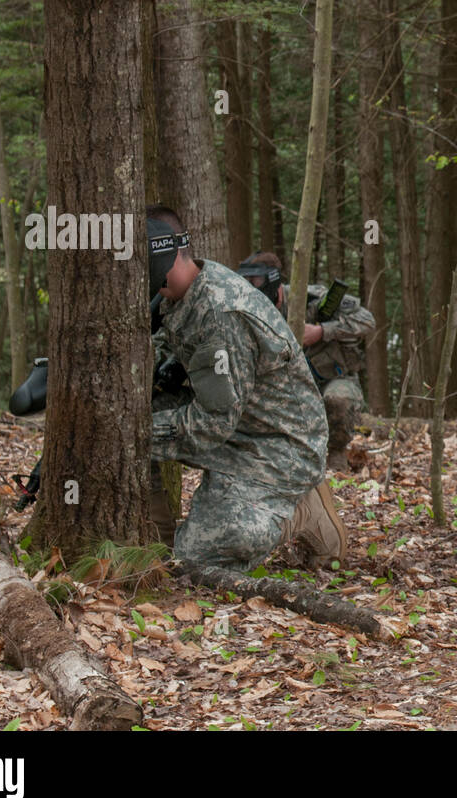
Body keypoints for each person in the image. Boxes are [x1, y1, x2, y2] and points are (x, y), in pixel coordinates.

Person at [145, 207, 348, 571]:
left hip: (279, 445)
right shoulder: (181, 292)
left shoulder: (220, 313)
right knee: (139, 416)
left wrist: (130, 436)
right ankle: (152, 539)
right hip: (240, 423)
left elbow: (212, 424)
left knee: (199, 559)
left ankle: (302, 507)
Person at [235, 251, 376, 470]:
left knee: (338, 399)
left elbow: (367, 321)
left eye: (256, 281)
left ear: (273, 281)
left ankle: (336, 453)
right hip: (291, 384)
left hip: (333, 379)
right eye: (247, 281)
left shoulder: (310, 299)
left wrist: (322, 331)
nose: (251, 286)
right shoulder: (252, 311)